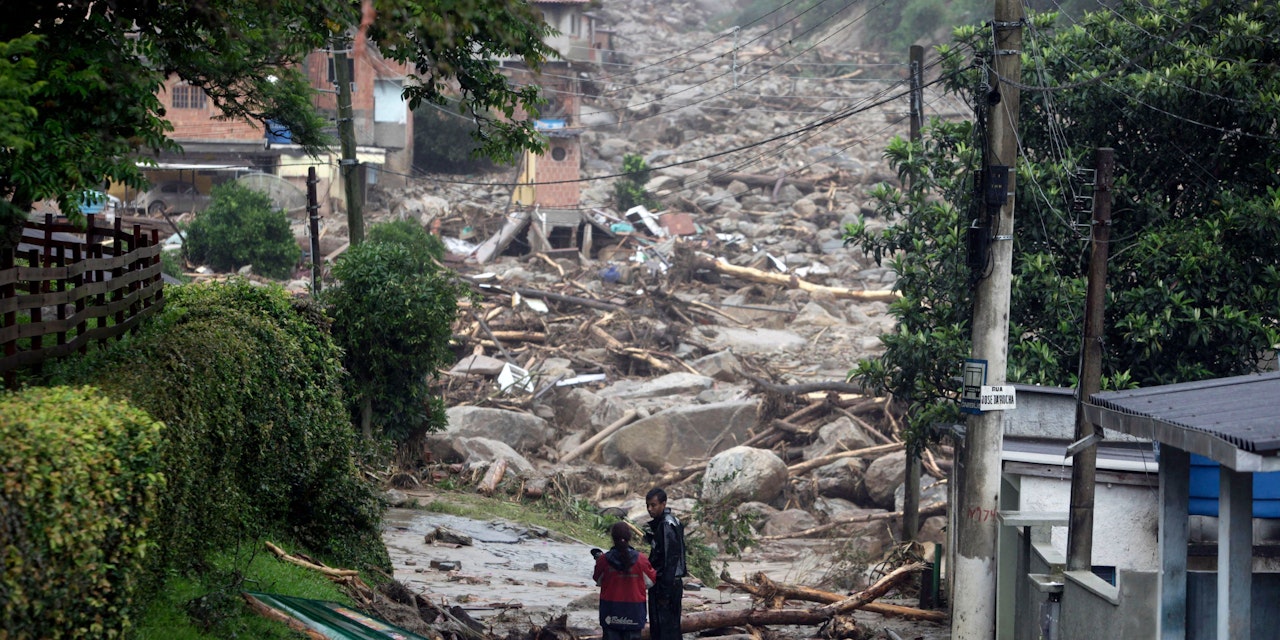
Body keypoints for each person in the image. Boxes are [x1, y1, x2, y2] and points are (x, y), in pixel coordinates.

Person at [593, 521, 657, 640]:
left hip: (610, 611)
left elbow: (598, 580)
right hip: (634, 611)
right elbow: (651, 581)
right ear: (629, 537)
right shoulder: (641, 560)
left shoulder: (603, 560)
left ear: (612, 537)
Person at [643, 487, 686, 640]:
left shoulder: (667, 525)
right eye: (648, 505)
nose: (650, 509)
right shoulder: (670, 522)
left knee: (664, 628)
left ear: (663, 504)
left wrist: (664, 591)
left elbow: (670, 559)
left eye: (653, 505)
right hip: (667, 582)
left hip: (666, 582)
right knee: (669, 626)